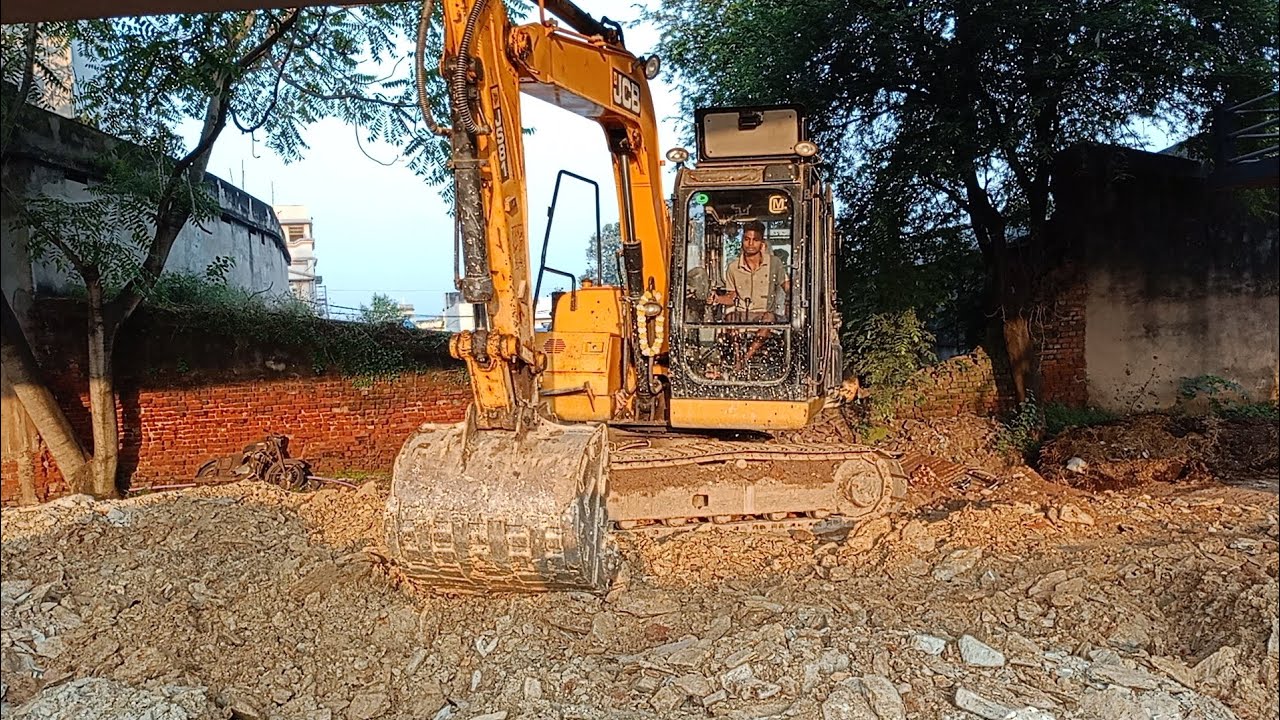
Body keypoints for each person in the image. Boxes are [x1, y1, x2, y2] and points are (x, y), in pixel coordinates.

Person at [710, 221, 790, 367]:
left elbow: (787, 287)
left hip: (764, 314)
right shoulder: (733, 268)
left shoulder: (775, 264)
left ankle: (744, 360)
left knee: (769, 318)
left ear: (762, 243)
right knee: (730, 317)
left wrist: (797, 294)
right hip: (742, 314)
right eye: (747, 239)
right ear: (742, 241)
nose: (750, 243)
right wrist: (717, 299)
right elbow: (731, 297)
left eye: (755, 240)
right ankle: (737, 355)